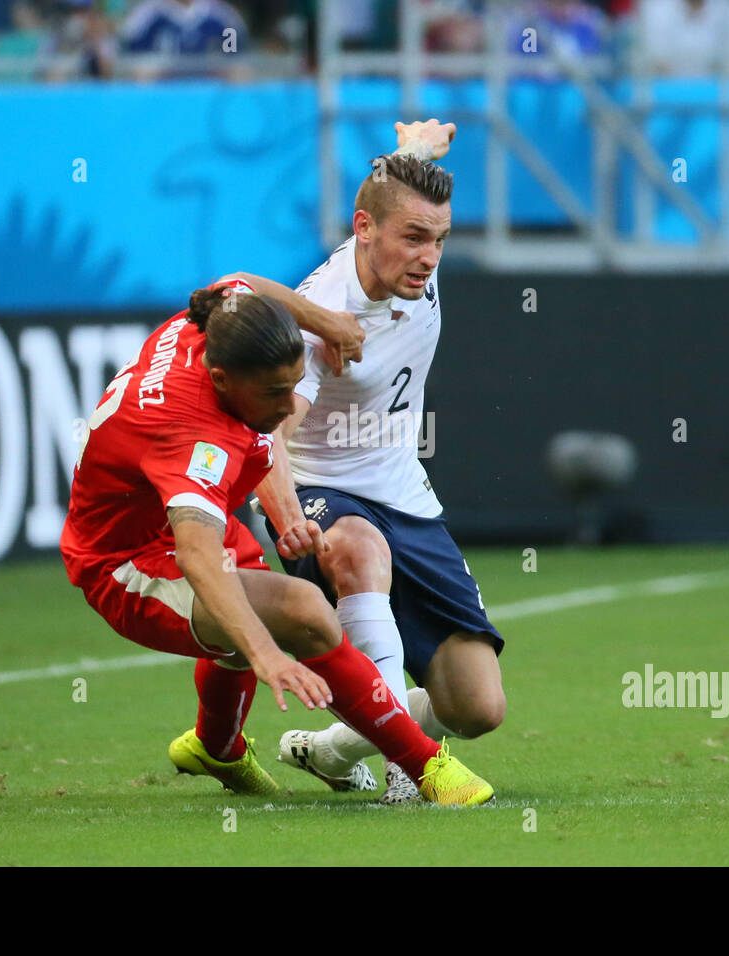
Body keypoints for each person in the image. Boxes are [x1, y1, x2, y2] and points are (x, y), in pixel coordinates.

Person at [59, 274, 494, 807]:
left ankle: (216, 748)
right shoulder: (194, 437)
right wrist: (267, 654)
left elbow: (240, 283)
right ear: (220, 381)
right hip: (127, 565)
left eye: (293, 385)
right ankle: (425, 766)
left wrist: (324, 322)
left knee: (254, 609)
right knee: (301, 609)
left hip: (167, 522)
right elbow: (196, 555)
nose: (290, 406)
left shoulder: (211, 327)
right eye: (274, 392)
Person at [252, 120, 507, 804]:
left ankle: (334, 750)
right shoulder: (323, 314)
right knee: (359, 547)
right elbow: (272, 435)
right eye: (415, 239)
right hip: (322, 494)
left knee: (476, 708)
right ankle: (409, 764)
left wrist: (415, 150)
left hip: (406, 495)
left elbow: (392, 187)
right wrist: (283, 517)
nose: (429, 257)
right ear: (364, 230)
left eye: (441, 241)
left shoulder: (405, 255)